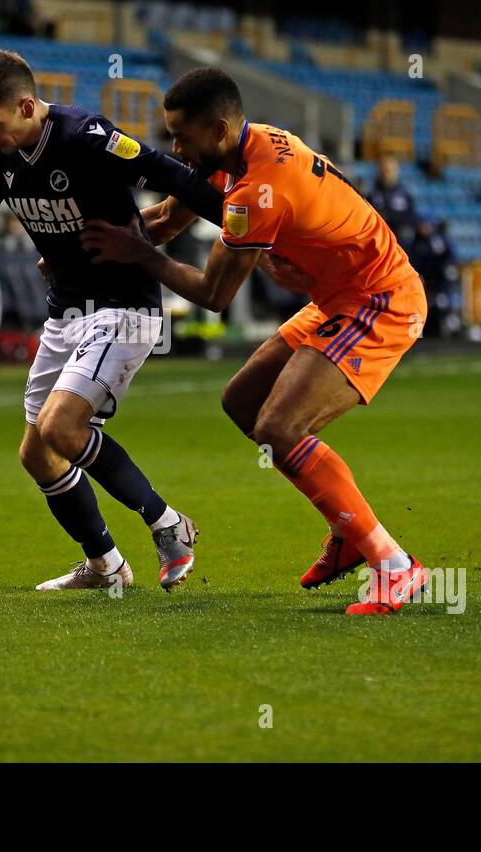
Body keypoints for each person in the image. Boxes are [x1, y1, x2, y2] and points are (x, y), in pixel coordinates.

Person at [82, 67, 430, 615]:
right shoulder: (247, 149)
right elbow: (171, 217)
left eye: (182, 136)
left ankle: (393, 564)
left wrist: (141, 257)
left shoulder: (257, 192)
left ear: (218, 129)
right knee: (242, 402)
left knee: (278, 427)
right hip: (337, 297)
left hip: (379, 299)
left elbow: (214, 293)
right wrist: (81, 250)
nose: (175, 149)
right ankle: (346, 526)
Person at [0, 49, 222, 592]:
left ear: (27, 105)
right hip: (67, 311)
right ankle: (107, 565)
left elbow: (171, 173)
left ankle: (169, 526)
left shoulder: (87, 136)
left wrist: (248, 226)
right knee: (36, 452)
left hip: (125, 306)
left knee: (63, 428)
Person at [366, 155, 417, 247]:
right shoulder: (371, 194)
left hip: (401, 243)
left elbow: (411, 217)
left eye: (390, 170)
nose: (386, 174)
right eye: (384, 170)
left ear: (396, 172)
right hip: (380, 243)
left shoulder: (404, 194)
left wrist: (390, 217)